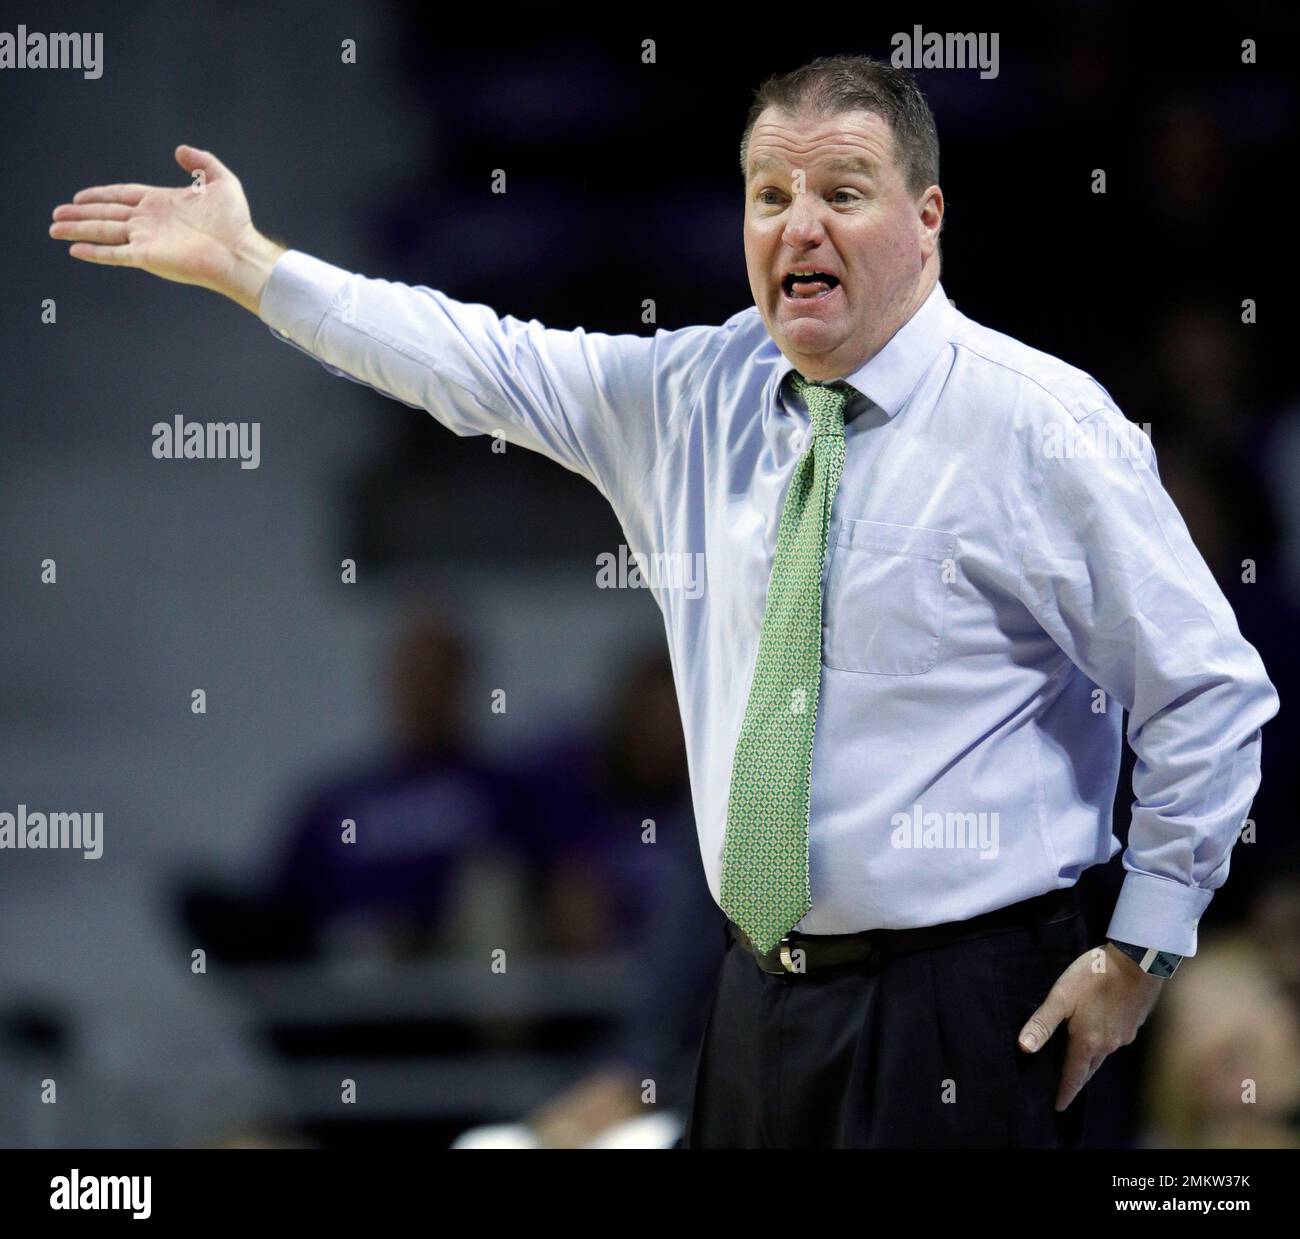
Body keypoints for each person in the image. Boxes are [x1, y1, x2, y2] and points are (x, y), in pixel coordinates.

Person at [48, 53, 1279, 1148]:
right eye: (770, 195)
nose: (799, 224)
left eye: (841, 192)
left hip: (969, 1008)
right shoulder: (690, 392)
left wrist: (1138, 950)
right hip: (751, 998)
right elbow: (473, 359)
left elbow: (1209, 698)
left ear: (928, 215)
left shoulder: (1038, 424)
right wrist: (256, 269)